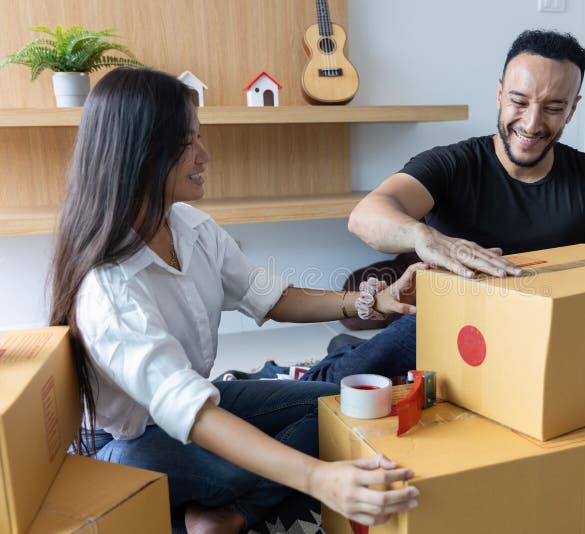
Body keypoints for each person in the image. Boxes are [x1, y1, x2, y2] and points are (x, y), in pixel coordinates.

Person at [48, 68, 424, 534]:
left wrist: (369, 302)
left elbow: (273, 297)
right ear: (140, 155)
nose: (204, 154)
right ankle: (223, 504)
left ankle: (229, 516)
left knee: (333, 409)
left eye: (199, 137)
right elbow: (194, 413)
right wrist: (319, 478)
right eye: (187, 143)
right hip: (125, 443)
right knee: (243, 467)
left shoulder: (189, 227)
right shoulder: (108, 290)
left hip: (201, 400)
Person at [294, 29, 585, 384]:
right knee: (358, 376)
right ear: (499, 94)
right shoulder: (451, 163)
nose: (532, 122)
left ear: (573, 109)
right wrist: (427, 238)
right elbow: (365, 216)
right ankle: (310, 370)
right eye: (519, 102)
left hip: (544, 328)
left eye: (554, 107)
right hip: (460, 321)